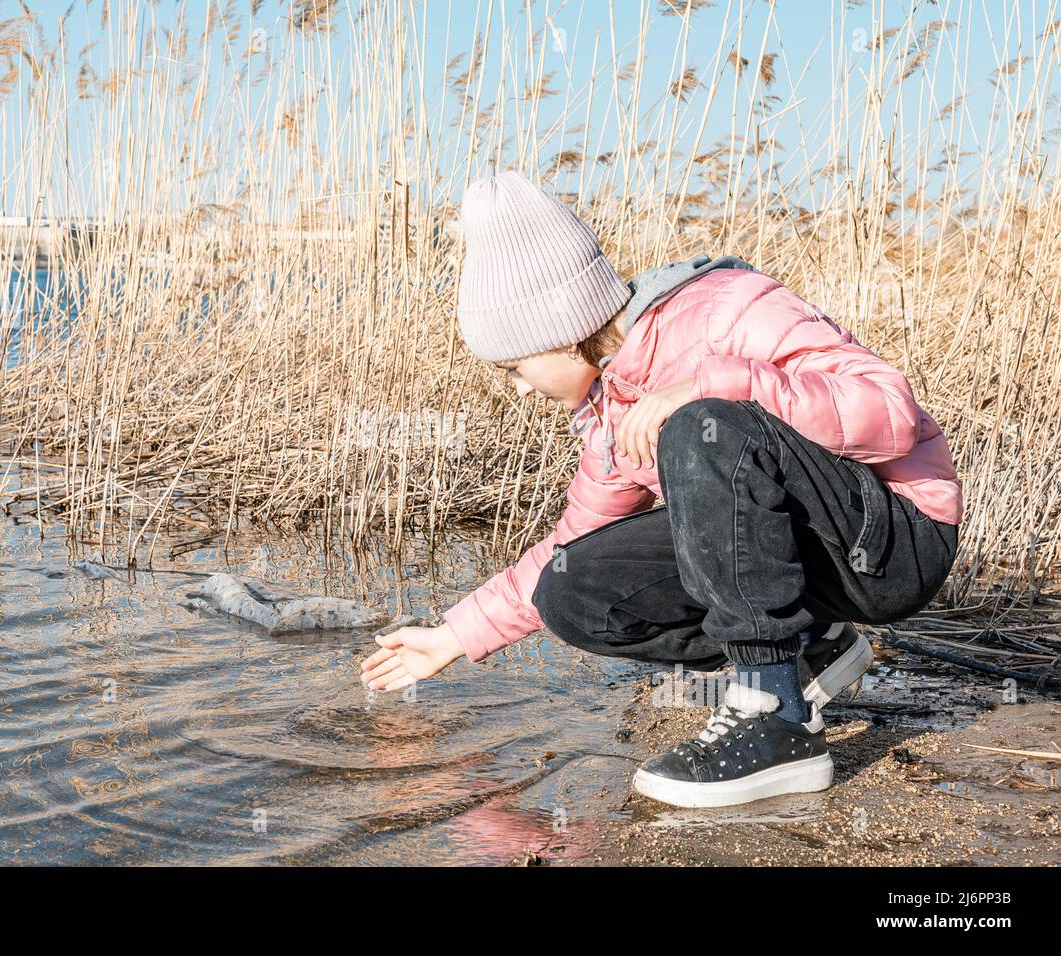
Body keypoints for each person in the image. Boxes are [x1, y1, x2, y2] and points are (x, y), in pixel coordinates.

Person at [360, 170, 961, 808]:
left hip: (895, 543)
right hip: (815, 561)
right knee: (571, 589)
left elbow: (890, 413)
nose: (519, 387)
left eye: (516, 367)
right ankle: (808, 649)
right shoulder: (611, 411)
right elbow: (574, 543)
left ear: (561, 334)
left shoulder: (727, 308)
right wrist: (453, 637)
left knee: (701, 428)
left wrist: (713, 384)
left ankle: (775, 714)